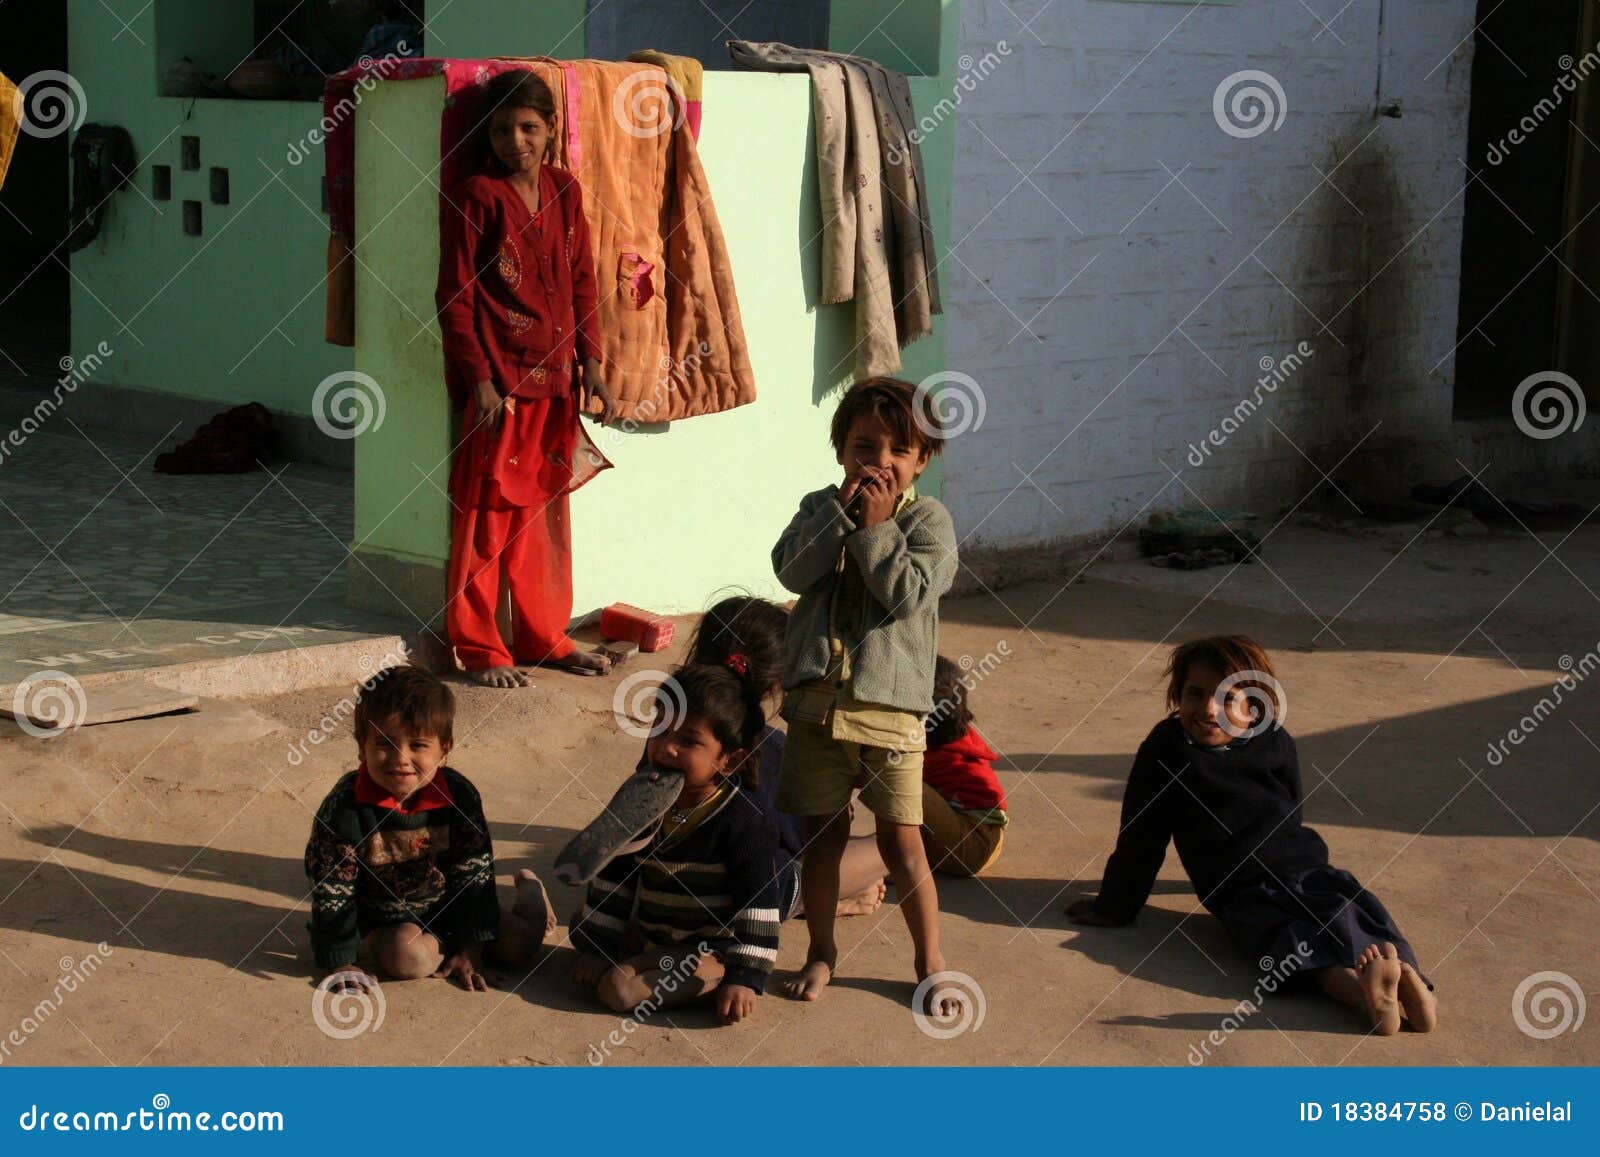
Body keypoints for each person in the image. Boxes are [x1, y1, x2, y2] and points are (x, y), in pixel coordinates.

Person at [1066, 636, 1438, 1035]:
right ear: (1177, 695)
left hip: (1274, 878)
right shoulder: (1191, 749)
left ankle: (1387, 992)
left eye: (1227, 699)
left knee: (1324, 935)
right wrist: (1115, 904)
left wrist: (1115, 908)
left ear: (1254, 706)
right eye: (1195, 694)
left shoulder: (1241, 744)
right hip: (1274, 878)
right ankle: (1393, 991)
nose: (1208, 710)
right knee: (1324, 930)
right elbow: (1145, 834)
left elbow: (1147, 836)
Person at [770, 376, 963, 1015]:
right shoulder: (817, 507)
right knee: (822, 839)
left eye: (897, 451)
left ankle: (930, 960)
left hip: (891, 713)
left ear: (922, 460)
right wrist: (839, 520)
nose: (878, 462)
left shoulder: (929, 521)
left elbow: (909, 595)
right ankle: (821, 951)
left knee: (902, 843)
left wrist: (876, 531)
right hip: (817, 707)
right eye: (863, 447)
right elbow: (792, 571)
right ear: (840, 451)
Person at [435, 68, 618, 689]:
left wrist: (593, 363)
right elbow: (455, 296)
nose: (517, 141)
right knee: (486, 519)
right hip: (503, 388)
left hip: (558, 383)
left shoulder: (565, 191)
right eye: (503, 130)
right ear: (488, 135)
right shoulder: (478, 197)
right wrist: (481, 380)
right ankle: (481, 648)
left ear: (551, 129)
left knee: (545, 518)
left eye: (529, 127)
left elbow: (583, 279)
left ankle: (545, 637)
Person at [304, 665, 553, 994]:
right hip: (383, 920)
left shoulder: (460, 796)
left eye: (418, 745)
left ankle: (531, 889)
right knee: (406, 959)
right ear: (362, 746)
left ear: (444, 750)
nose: (400, 758)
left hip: (449, 906)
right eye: (384, 743)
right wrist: (339, 959)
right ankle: (380, 945)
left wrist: (471, 948)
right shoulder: (344, 809)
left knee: (519, 947)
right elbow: (332, 890)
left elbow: (474, 874)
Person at [568, 663, 785, 1024]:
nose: (666, 748)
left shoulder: (744, 819)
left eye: (688, 741)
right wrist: (597, 948)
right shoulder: (641, 797)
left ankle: (717, 973)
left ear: (729, 760)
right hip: (655, 937)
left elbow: (758, 901)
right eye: (660, 729)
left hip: (710, 947)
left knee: (621, 991)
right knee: (590, 941)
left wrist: (745, 976)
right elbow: (615, 875)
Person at [685, 595, 888, 917]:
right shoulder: (767, 748)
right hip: (747, 898)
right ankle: (825, 902)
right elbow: (804, 840)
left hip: (660, 884)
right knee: (890, 843)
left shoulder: (668, 734)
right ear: (774, 685)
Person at [919, 655, 1008, 877]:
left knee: (896, 780)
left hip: (972, 848)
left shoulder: (925, 747)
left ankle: (895, 859)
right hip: (986, 842)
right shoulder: (957, 733)